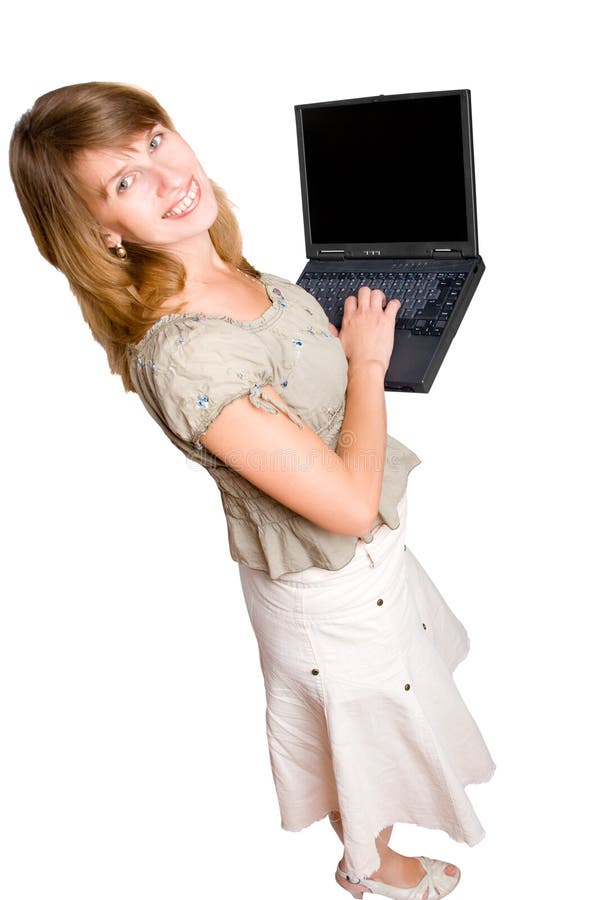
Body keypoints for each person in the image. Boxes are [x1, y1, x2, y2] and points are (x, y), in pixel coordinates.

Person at [9, 81, 496, 899]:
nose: (168, 179)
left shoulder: (228, 270)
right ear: (100, 230)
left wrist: (349, 348)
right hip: (330, 588)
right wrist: (370, 364)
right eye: (124, 182)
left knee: (386, 712)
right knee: (362, 740)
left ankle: (371, 856)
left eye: (155, 141)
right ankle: (376, 871)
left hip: (367, 569)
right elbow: (343, 503)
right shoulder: (187, 352)